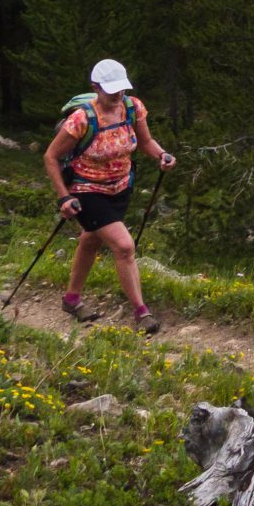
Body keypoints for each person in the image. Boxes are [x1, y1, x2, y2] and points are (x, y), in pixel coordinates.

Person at [42, 58, 175, 333]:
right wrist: (64, 197)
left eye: (121, 89)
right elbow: (51, 157)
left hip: (120, 188)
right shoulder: (81, 120)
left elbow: (145, 141)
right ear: (96, 87)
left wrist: (161, 155)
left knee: (91, 239)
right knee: (124, 246)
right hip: (87, 191)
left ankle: (71, 299)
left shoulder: (132, 107)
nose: (118, 95)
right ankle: (142, 313)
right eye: (112, 90)